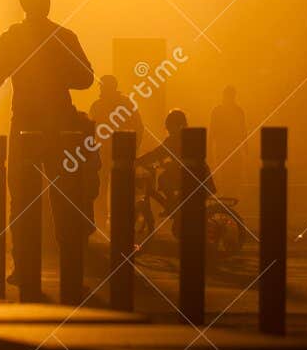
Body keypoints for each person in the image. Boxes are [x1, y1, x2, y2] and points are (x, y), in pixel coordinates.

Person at [0, 0, 95, 301]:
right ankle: (72, 274)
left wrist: (16, 66)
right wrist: (57, 74)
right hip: (60, 127)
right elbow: (86, 78)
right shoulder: (64, 36)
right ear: (45, 1)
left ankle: (24, 268)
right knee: (67, 201)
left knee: (22, 201)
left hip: (25, 127)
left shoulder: (12, 38)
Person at [137, 108, 212, 239]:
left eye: (170, 126)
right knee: (165, 178)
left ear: (179, 125)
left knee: (164, 178)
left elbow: (158, 153)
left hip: (196, 178)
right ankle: (173, 206)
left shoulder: (178, 140)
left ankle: (172, 205)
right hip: (193, 176)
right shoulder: (181, 138)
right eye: (168, 127)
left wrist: (137, 161)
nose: (168, 130)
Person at [208, 85, 246, 198]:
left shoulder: (236, 111)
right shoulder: (220, 111)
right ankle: (227, 192)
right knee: (225, 169)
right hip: (224, 145)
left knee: (232, 169)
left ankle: (231, 192)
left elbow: (243, 129)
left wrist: (245, 145)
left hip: (232, 145)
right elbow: (212, 130)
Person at [88, 75, 146, 146]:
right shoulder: (97, 106)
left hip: (122, 147)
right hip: (105, 149)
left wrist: (134, 147)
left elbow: (138, 127)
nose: (101, 88)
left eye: (103, 86)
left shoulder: (126, 103)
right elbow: (91, 130)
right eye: (101, 86)